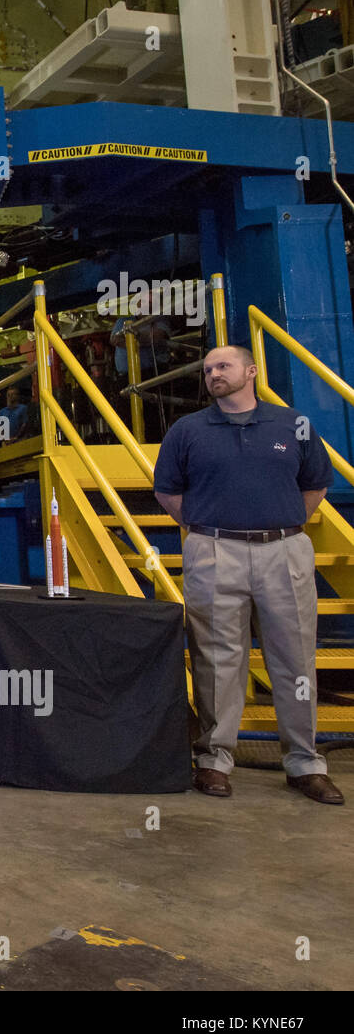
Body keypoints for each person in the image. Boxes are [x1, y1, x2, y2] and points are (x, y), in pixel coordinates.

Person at [154, 345, 342, 805]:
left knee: (295, 659)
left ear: (251, 371)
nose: (214, 374)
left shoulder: (292, 424)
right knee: (216, 660)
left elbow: (316, 485)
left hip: (284, 551)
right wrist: (211, 529)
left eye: (224, 366)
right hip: (215, 551)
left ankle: (304, 763)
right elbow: (167, 490)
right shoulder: (188, 430)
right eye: (208, 370)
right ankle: (214, 760)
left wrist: (278, 524)